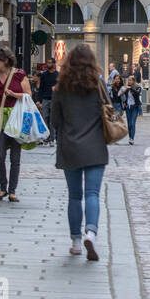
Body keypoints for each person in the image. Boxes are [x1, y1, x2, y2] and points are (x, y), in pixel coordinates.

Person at [50, 43, 109, 260]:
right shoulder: (98, 84)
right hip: (94, 147)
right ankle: (91, 233)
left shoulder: (61, 87)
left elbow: (55, 121)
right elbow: (110, 110)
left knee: (74, 196)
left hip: (70, 147)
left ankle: (75, 241)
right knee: (92, 194)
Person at [0, 48, 32, 202]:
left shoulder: (19, 74)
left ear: (5, 61)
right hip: (1, 119)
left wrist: (13, 94)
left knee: (15, 157)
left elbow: (28, 95)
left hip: (16, 118)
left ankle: (12, 191)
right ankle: (2, 187)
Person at [37, 59, 58, 145]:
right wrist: (39, 100)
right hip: (45, 99)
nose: (48, 64)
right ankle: (46, 137)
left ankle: (52, 138)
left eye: (50, 63)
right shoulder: (44, 75)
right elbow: (41, 88)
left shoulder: (58, 75)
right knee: (45, 118)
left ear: (53, 64)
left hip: (54, 99)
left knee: (52, 120)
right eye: (47, 63)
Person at [117, 75, 142, 145]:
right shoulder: (126, 88)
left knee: (132, 123)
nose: (129, 82)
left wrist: (130, 88)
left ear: (134, 81)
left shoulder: (138, 87)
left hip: (135, 107)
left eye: (131, 80)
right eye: (129, 80)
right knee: (129, 124)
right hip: (128, 108)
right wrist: (123, 92)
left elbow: (137, 93)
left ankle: (132, 138)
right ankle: (130, 137)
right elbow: (122, 96)